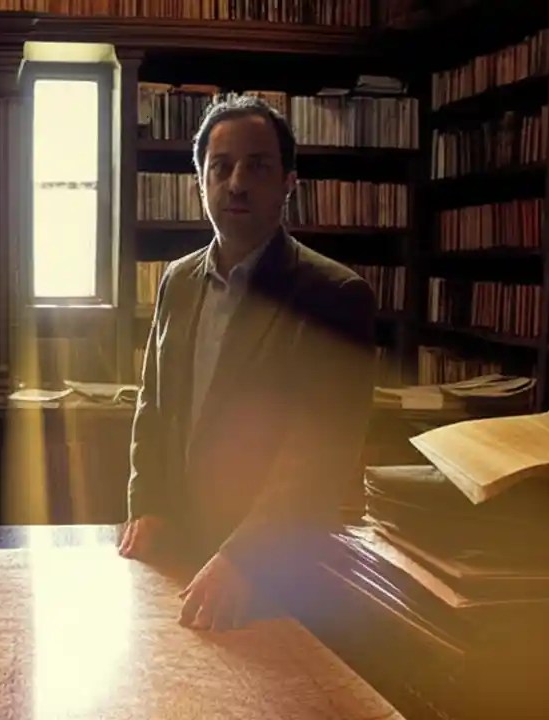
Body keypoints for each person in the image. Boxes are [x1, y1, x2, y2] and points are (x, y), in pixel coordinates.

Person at [118, 95, 378, 632]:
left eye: (257, 166)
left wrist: (245, 560)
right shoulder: (177, 280)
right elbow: (155, 406)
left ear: (288, 181)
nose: (236, 183)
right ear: (201, 181)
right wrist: (149, 504)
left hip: (272, 577)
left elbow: (319, 455)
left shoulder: (334, 294)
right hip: (178, 555)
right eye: (221, 167)